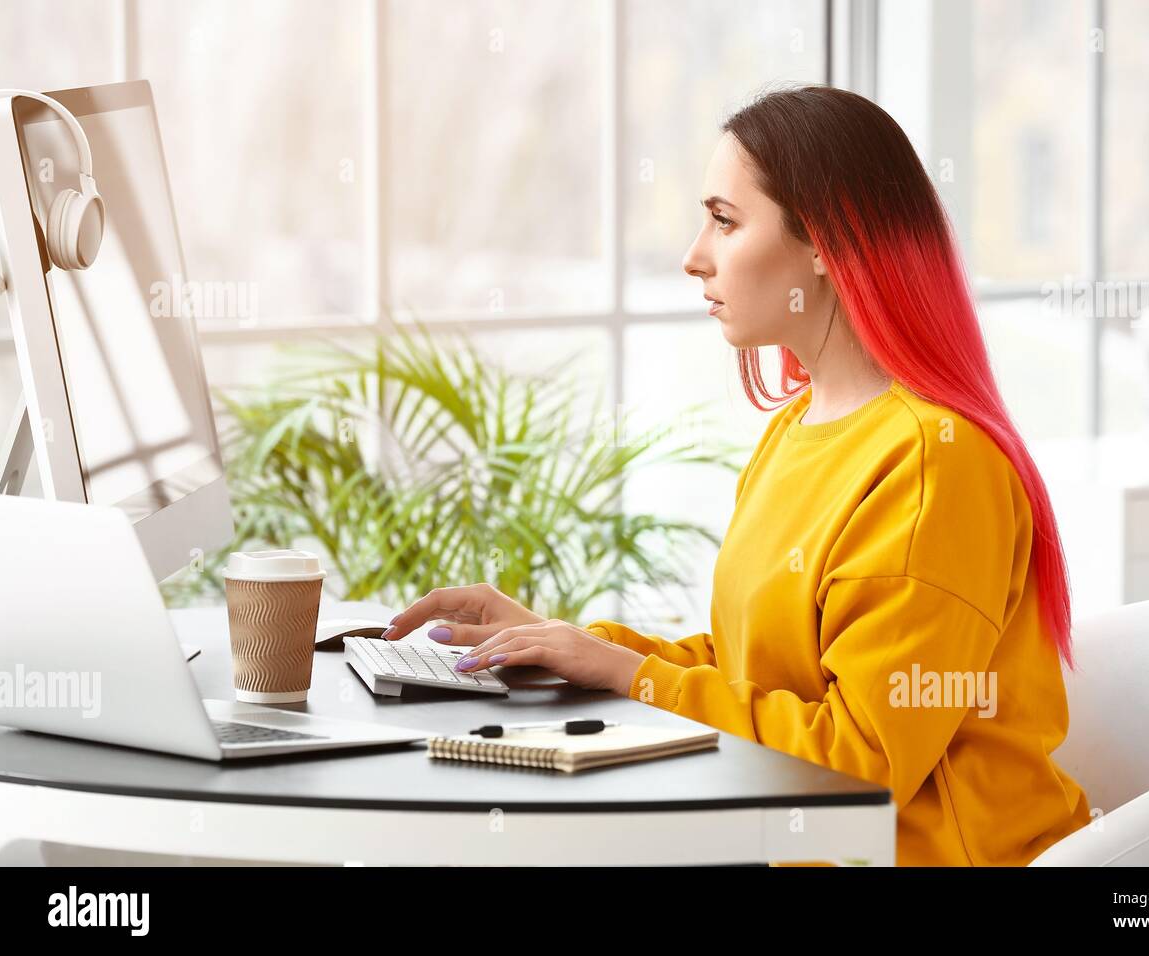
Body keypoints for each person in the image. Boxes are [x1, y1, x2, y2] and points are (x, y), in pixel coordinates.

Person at [383, 85, 1091, 866]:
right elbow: (754, 670)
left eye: (724, 221)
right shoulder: (798, 428)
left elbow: (864, 761)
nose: (694, 256)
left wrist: (632, 677)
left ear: (827, 243)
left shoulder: (935, 465)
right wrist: (568, 644)